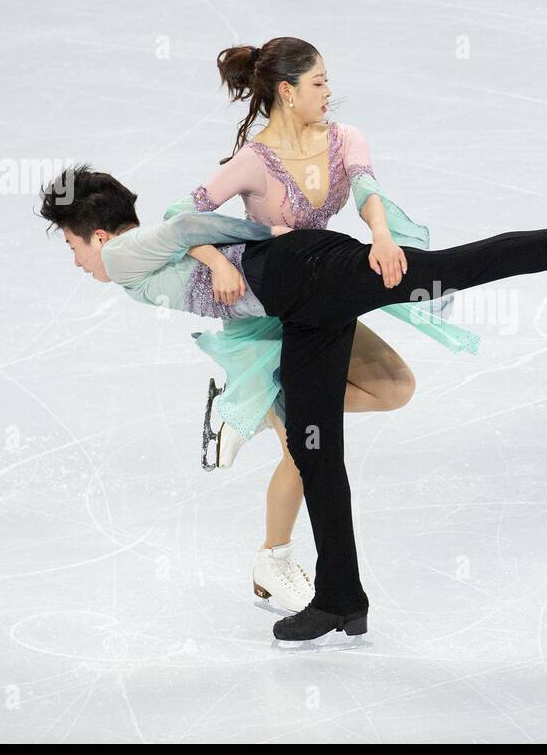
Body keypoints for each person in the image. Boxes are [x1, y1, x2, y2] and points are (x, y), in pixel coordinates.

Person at [37, 164, 547, 642]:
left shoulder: (121, 257)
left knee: (452, 270)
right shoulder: (137, 254)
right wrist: (224, 251)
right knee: (318, 455)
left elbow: (185, 224)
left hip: (307, 274)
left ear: (94, 234)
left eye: (70, 247)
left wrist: (242, 241)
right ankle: (342, 597)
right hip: (299, 305)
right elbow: (183, 234)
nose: (74, 262)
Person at [165, 36, 473, 616]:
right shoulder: (254, 161)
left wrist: (381, 235)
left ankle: (256, 407)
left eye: (327, 80)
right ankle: (272, 559)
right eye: (318, 83)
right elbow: (181, 217)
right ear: (287, 91)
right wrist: (212, 262)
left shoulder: (344, 139)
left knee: (393, 388)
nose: (329, 92)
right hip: (275, 316)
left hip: (325, 302)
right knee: (307, 451)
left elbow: (366, 191)